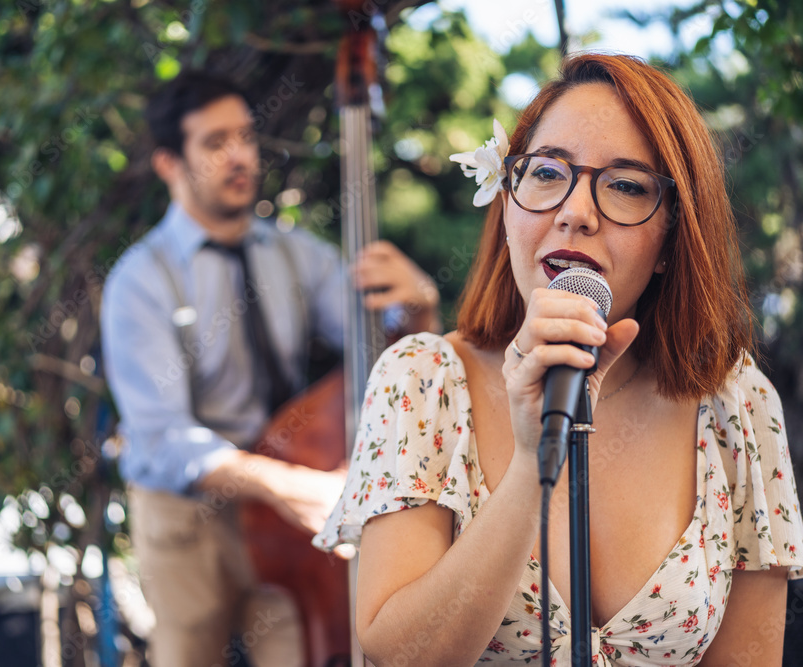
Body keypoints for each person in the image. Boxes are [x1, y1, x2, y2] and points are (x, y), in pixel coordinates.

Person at [314, 53, 803, 665]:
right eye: (547, 173)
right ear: (508, 199)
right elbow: (400, 655)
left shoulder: (738, 403)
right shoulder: (420, 378)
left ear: (671, 240)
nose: (575, 210)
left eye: (625, 185)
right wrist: (530, 462)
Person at [100, 71, 441, 667]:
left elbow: (382, 351)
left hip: (288, 513)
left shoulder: (293, 252)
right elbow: (159, 438)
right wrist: (290, 487)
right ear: (169, 165)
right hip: (188, 515)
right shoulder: (140, 279)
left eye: (245, 137)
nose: (239, 156)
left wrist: (418, 308)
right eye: (214, 143)